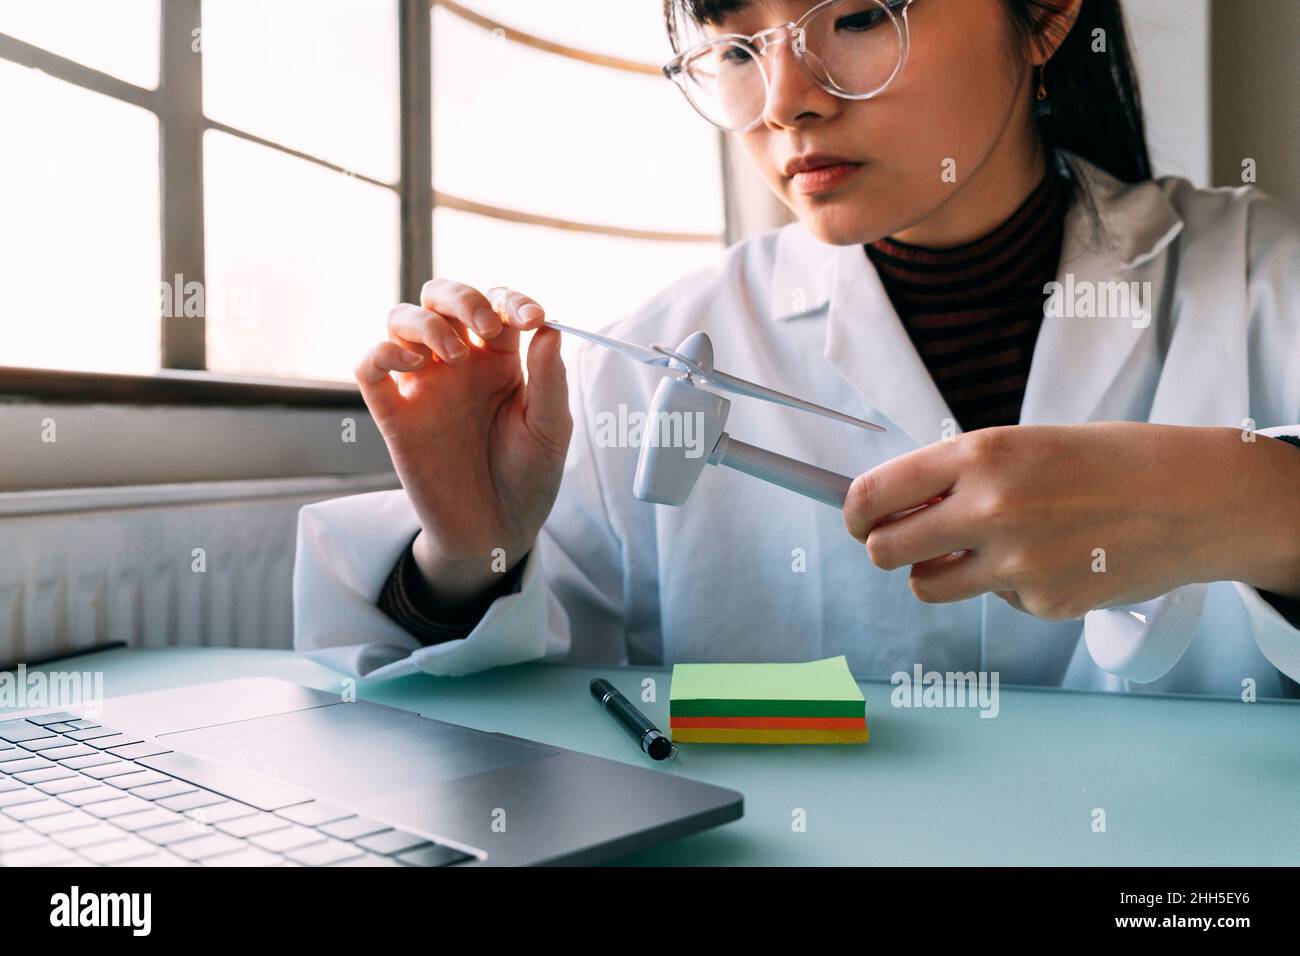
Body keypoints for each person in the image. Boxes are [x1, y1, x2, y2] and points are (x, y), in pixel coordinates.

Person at [293, 0, 1300, 696]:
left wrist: (1256, 499)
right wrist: (472, 559)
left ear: (1042, 15)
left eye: (860, 17)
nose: (783, 100)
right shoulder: (645, 357)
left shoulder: (1265, 278)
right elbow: (517, 742)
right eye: (734, 50)